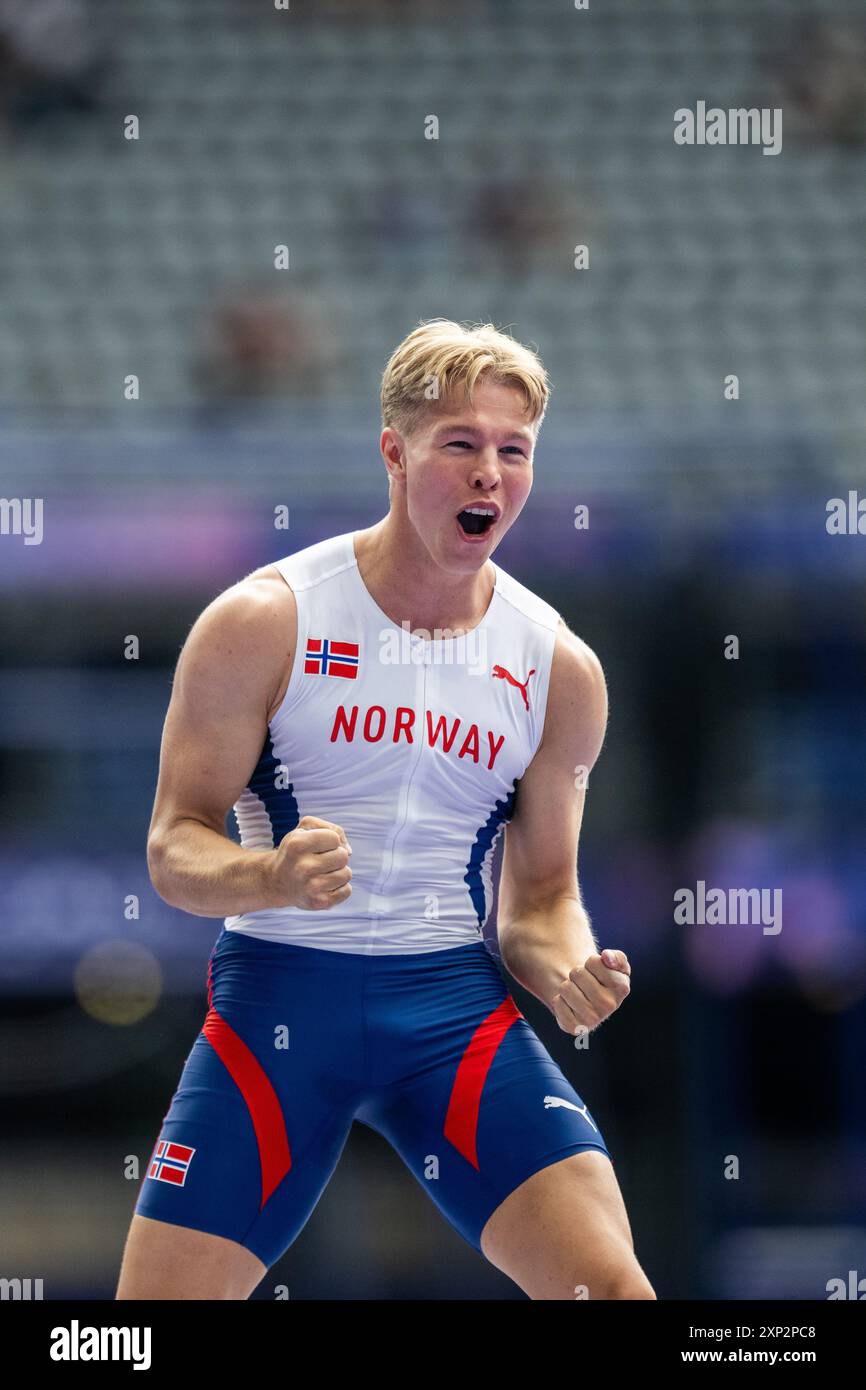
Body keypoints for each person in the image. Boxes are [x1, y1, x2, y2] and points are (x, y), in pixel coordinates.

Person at [116, 319, 656, 1300]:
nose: (488, 473)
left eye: (512, 450)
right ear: (394, 454)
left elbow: (539, 898)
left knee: (610, 1291)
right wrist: (265, 874)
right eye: (459, 443)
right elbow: (169, 845)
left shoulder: (556, 666)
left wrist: (567, 963)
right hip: (280, 1003)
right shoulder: (266, 619)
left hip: (450, 1013)